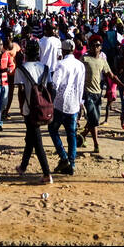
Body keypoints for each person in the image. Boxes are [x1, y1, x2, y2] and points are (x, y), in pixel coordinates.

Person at [14, 39, 53, 184]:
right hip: (43, 106)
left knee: (37, 140)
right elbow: (50, 88)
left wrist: (21, 107)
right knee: (30, 137)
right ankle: (23, 167)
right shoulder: (45, 68)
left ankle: (47, 173)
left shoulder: (21, 69)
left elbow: (21, 91)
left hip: (29, 108)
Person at [48, 39, 85, 175]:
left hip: (60, 103)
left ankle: (63, 157)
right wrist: (81, 103)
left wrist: (50, 101)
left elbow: (55, 85)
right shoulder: (80, 65)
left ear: (63, 51)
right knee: (71, 135)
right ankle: (72, 163)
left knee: (52, 129)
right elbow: (81, 86)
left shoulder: (61, 65)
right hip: (74, 103)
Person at [81, 37, 121, 154]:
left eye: (97, 45)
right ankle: (96, 144)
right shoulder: (84, 58)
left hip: (98, 93)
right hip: (87, 93)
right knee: (94, 119)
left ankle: (82, 135)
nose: (95, 47)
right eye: (93, 45)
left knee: (95, 119)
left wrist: (122, 86)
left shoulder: (102, 60)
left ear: (101, 47)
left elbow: (111, 75)